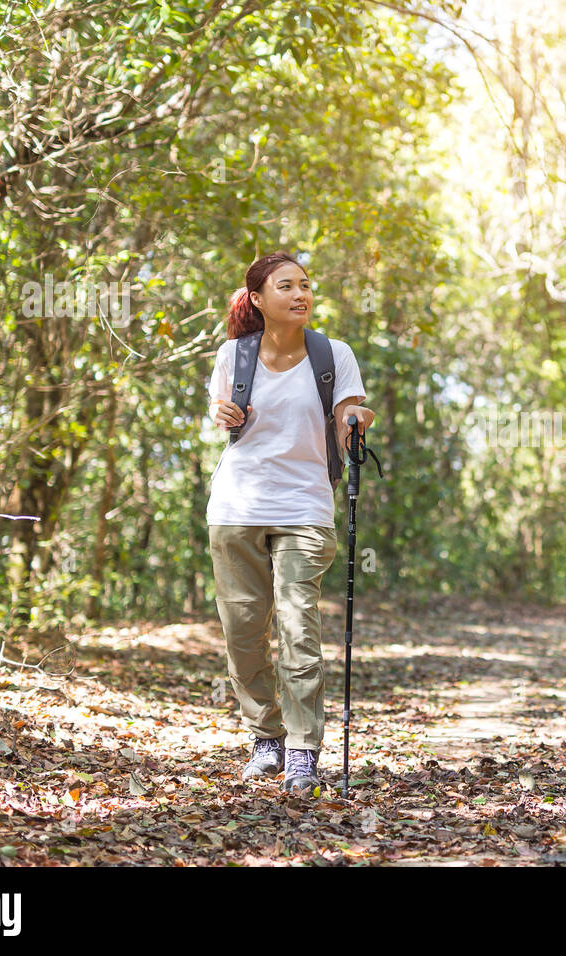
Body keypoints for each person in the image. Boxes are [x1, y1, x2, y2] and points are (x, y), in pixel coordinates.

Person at [206, 251, 375, 791]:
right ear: (258, 299)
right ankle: (265, 737)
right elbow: (220, 410)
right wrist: (223, 412)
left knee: (298, 625)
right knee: (243, 632)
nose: (301, 294)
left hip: (304, 505)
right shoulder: (235, 355)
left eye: (306, 285)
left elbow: (350, 410)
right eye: (287, 286)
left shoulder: (333, 354)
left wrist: (355, 419)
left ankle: (303, 748)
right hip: (236, 507)